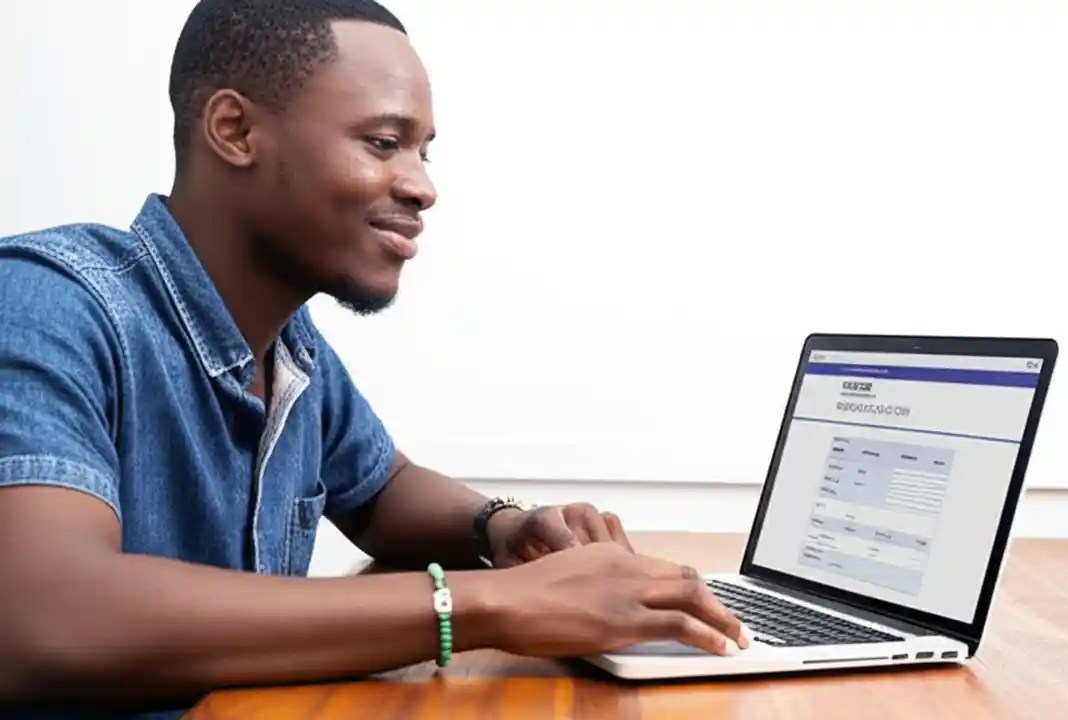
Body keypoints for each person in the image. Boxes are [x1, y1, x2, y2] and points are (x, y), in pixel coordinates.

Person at [0, 1, 747, 717]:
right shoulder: (48, 306)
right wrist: (495, 604)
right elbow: (47, 619)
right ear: (234, 130)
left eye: (424, 151)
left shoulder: (290, 348)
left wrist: (501, 527)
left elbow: (381, 489)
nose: (422, 186)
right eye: (384, 143)